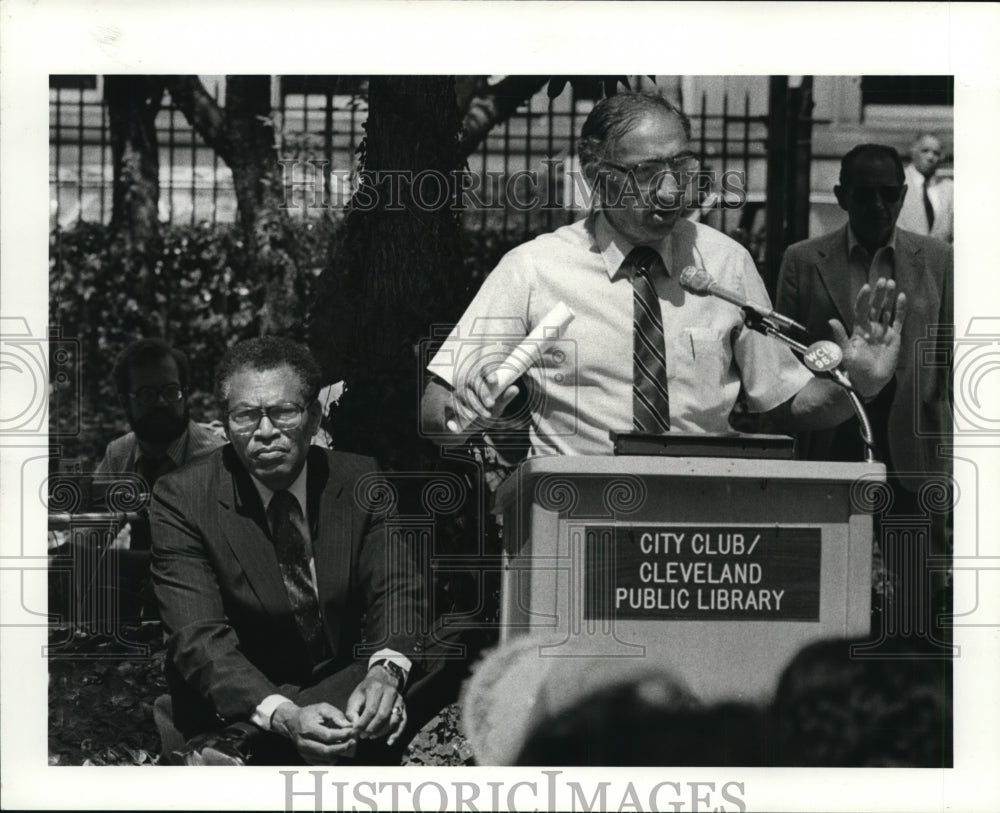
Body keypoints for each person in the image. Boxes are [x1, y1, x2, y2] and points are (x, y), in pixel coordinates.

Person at [421, 92, 906, 456]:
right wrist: (469, 411)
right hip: (575, 517)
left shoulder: (723, 264)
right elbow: (436, 410)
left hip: (699, 530)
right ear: (595, 176)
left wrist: (859, 383)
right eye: (647, 172)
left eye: (683, 167)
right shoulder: (534, 269)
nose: (673, 191)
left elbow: (783, 401)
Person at [149, 337, 428, 765]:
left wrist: (384, 673)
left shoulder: (360, 479)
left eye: (283, 412)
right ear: (224, 423)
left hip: (340, 671)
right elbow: (196, 637)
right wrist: (285, 716)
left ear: (313, 417)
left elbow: (397, 588)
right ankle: (271, 728)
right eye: (245, 416)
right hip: (245, 681)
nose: (264, 433)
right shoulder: (181, 497)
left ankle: (239, 742)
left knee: (453, 637)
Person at [776, 144, 953, 634]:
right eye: (866, 194)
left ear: (902, 194)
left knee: (918, 594)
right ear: (842, 196)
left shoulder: (938, 259)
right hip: (832, 439)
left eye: (890, 194)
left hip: (911, 446)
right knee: (824, 586)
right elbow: (784, 363)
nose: (879, 206)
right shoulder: (803, 259)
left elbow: (949, 357)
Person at [87, 339, 224, 621]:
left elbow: (219, 564)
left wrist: (116, 564)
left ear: (185, 394)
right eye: (147, 394)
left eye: (171, 391)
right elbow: (89, 536)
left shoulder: (215, 459)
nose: (161, 402)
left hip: (204, 609)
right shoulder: (119, 454)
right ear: (125, 401)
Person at [896, 133, 954, 243]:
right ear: (913, 152)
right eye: (925, 151)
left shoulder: (949, 188)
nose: (930, 157)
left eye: (936, 153)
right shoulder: (896, 183)